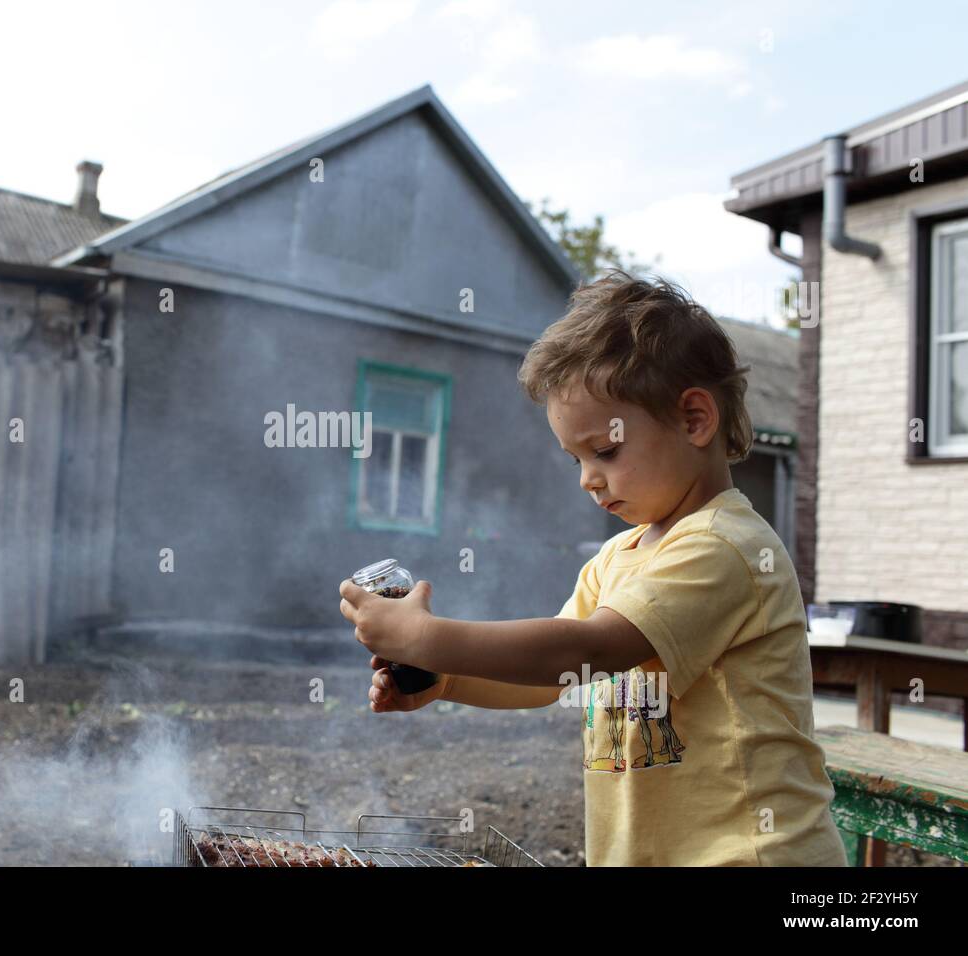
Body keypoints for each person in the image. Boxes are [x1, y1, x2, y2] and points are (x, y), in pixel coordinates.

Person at [338, 269, 848, 866]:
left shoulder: (723, 546)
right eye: (576, 458)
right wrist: (447, 679)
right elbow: (557, 677)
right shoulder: (618, 559)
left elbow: (586, 648)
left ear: (693, 419)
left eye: (605, 451)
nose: (588, 478)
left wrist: (427, 637)